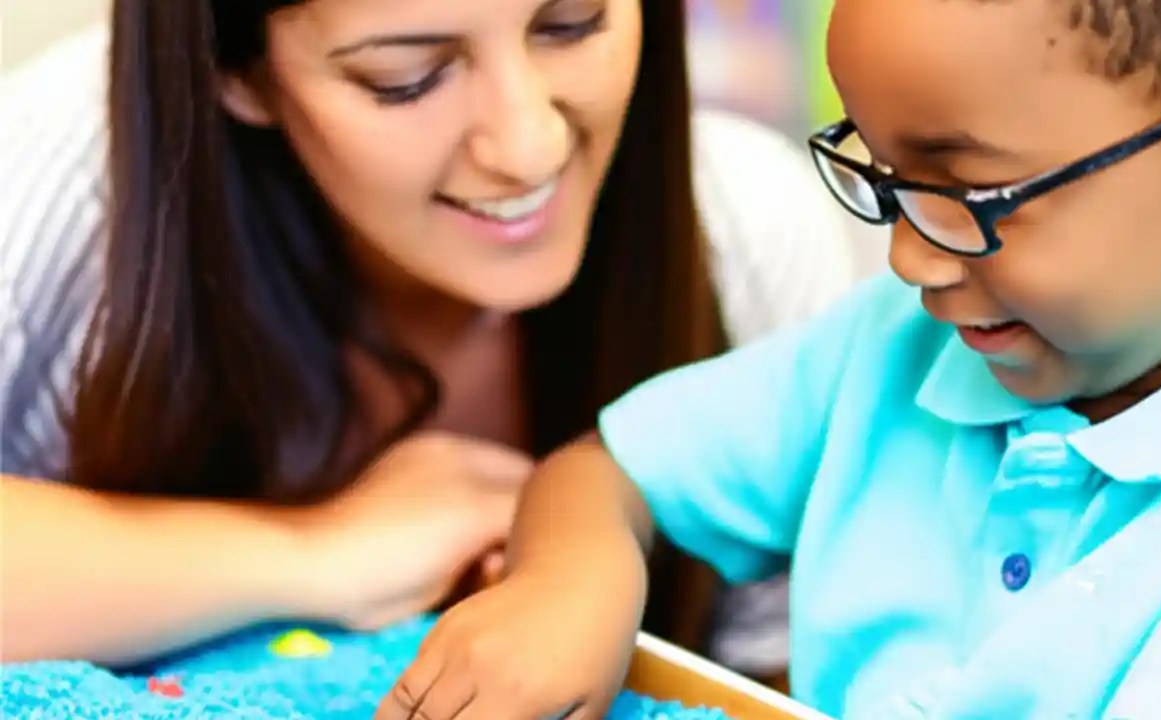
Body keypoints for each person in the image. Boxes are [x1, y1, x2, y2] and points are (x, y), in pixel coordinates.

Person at [381, 0, 1161, 717]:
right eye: (883, 177)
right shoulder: (893, 344)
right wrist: (565, 584)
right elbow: (610, 469)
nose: (908, 259)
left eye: (972, 194)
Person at [0, 0, 887, 668]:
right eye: (407, 75)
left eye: (573, 23)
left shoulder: (746, 229)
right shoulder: (56, 186)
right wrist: (316, 554)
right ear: (237, 71)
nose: (528, 144)